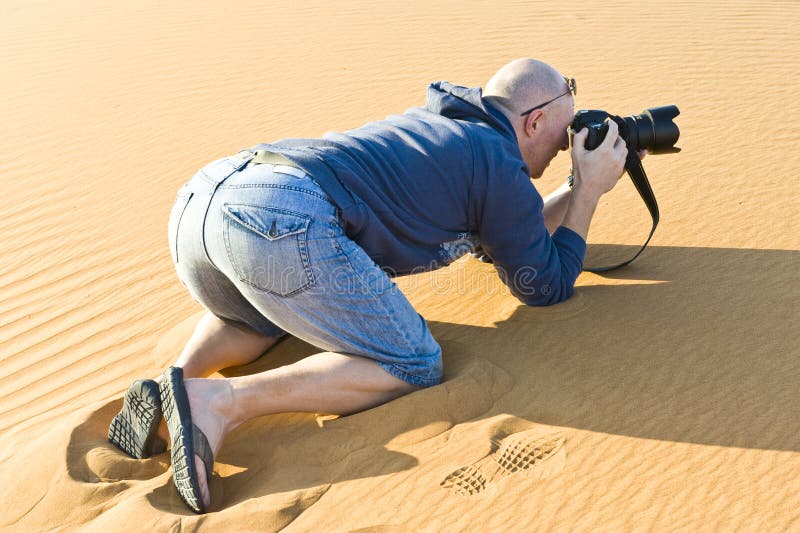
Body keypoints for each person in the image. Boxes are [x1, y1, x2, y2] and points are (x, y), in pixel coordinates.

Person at [107, 58, 635, 513]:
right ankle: (217, 402)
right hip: (278, 220)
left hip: (206, 204)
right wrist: (588, 191)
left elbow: (517, 238)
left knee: (256, 315)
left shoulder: (451, 132)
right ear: (535, 120)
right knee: (414, 361)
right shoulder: (497, 164)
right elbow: (544, 285)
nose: (564, 151)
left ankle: (169, 385)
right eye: (564, 136)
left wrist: (578, 183)